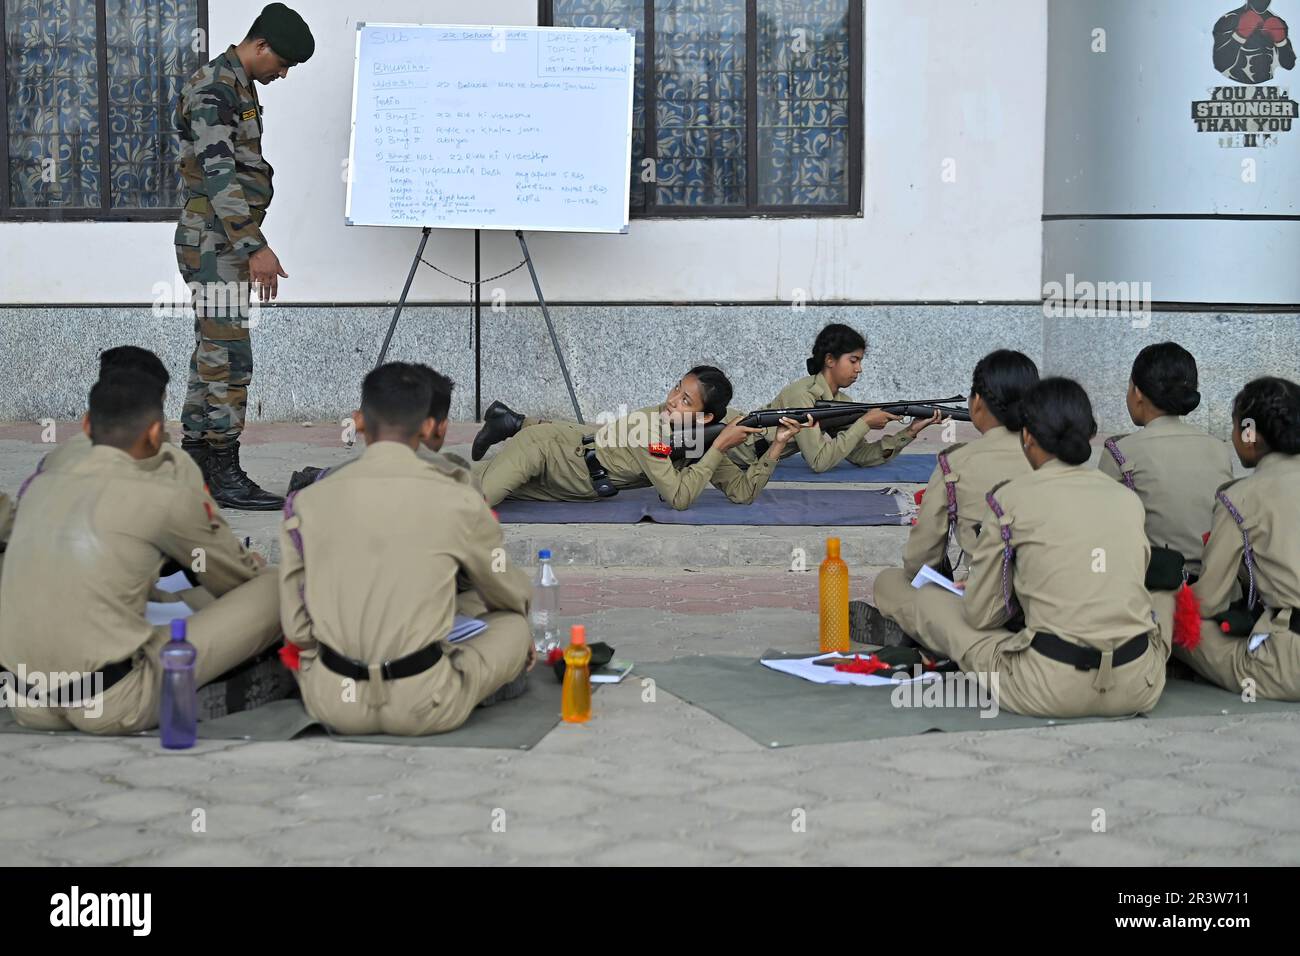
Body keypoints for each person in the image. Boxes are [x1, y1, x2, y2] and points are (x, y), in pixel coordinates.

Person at [0, 374, 281, 734]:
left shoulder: (41, 484)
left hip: (27, 701)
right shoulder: (161, 493)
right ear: (154, 434)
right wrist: (248, 566)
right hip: (112, 701)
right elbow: (234, 581)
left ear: (87, 425)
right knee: (276, 587)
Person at [278, 363, 534, 735]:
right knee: (514, 625)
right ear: (431, 427)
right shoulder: (457, 495)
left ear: (359, 421)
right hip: (425, 703)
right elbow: (508, 594)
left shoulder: (305, 502)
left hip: (333, 701)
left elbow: (298, 628)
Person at [908, 378, 1170, 718]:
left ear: (1027, 436)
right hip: (1137, 685)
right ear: (1089, 434)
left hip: (1050, 687)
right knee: (1166, 593)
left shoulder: (1009, 498)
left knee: (930, 599)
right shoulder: (1127, 498)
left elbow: (983, 615)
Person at [175, 3, 314, 510]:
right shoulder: (215, 88)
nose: (281, 74)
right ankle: (222, 470)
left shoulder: (238, 84)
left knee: (211, 356)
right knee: (229, 360)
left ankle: (195, 465)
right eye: (281, 64)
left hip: (219, 238)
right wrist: (254, 246)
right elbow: (219, 176)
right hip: (217, 242)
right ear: (260, 46)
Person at [862, 350, 1039, 644]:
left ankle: (934, 633)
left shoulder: (957, 463)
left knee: (888, 583)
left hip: (987, 609)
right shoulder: (1053, 458)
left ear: (977, 403)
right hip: (1054, 606)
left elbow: (921, 561)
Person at [472, 366, 809, 509]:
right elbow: (679, 498)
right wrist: (719, 446)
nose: (672, 400)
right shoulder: (654, 431)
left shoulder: (697, 440)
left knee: (461, 483)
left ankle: (511, 422)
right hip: (546, 453)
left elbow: (743, 492)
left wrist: (777, 445)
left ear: (706, 418)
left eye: (686, 401)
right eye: (677, 388)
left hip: (572, 481)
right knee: (478, 500)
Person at [1166, 377, 1300, 700]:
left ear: (1250, 436)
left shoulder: (1240, 497)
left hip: (1286, 664)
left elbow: (1209, 601)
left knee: (1168, 614)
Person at [1098, 343, 1234, 587]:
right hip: (1217, 589)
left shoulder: (1120, 452)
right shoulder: (1219, 449)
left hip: (1154, 592)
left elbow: (1103, 532)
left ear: (1137, 393)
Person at [737, 323, 942, 473]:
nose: (859, 369)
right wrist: (864, 422)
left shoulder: (840, 401)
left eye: (860, 361)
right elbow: (819, 462)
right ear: (829, 360)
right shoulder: (803, 395)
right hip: (733, 449)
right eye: (853, 360)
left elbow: (861, 456)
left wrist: (911, 431)